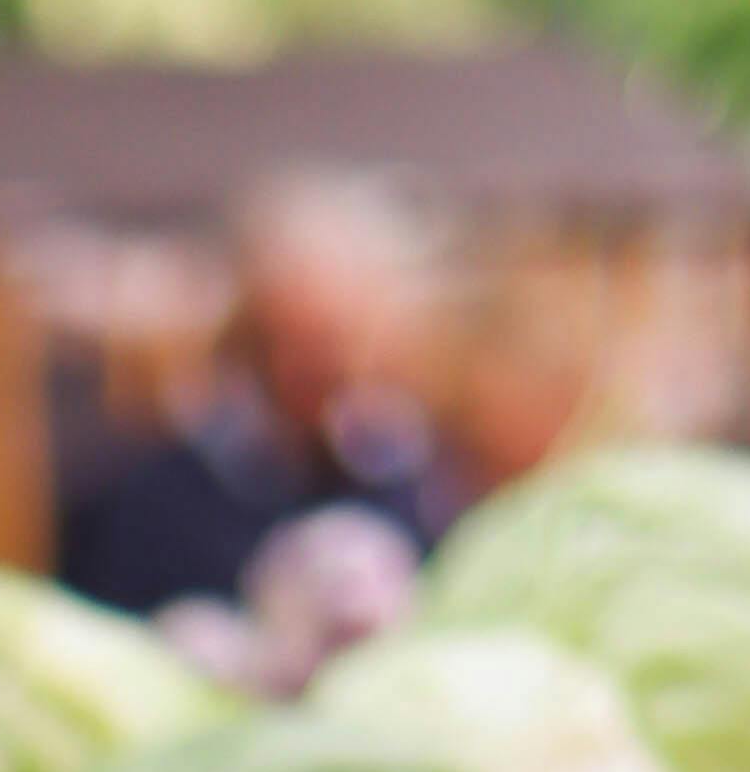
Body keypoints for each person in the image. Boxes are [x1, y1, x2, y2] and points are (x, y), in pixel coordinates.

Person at [51, 191, 460, 625]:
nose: (319, 368)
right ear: (248, 339)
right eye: (296, 343)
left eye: (336, 343)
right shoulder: (153, 496)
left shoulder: (406, 481)